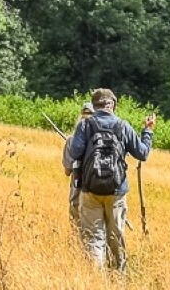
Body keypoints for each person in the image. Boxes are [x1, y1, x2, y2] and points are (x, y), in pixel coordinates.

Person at [66, 87, 155, 272]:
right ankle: (118, 276)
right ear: (112, 104)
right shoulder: (123, 126)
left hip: (89, 190)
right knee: (116, 235)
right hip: (116, 190)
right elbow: (143, 153)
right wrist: (147, 131)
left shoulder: (85, 125)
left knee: (93, 238)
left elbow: (74, 152)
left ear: (95, 105)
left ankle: (96, 278)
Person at [62, 102, 95, 223]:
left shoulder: (71, 140)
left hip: (77, 194)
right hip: (97, 195)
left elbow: (67, 171)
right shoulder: (100, 141)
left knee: (76, 230)